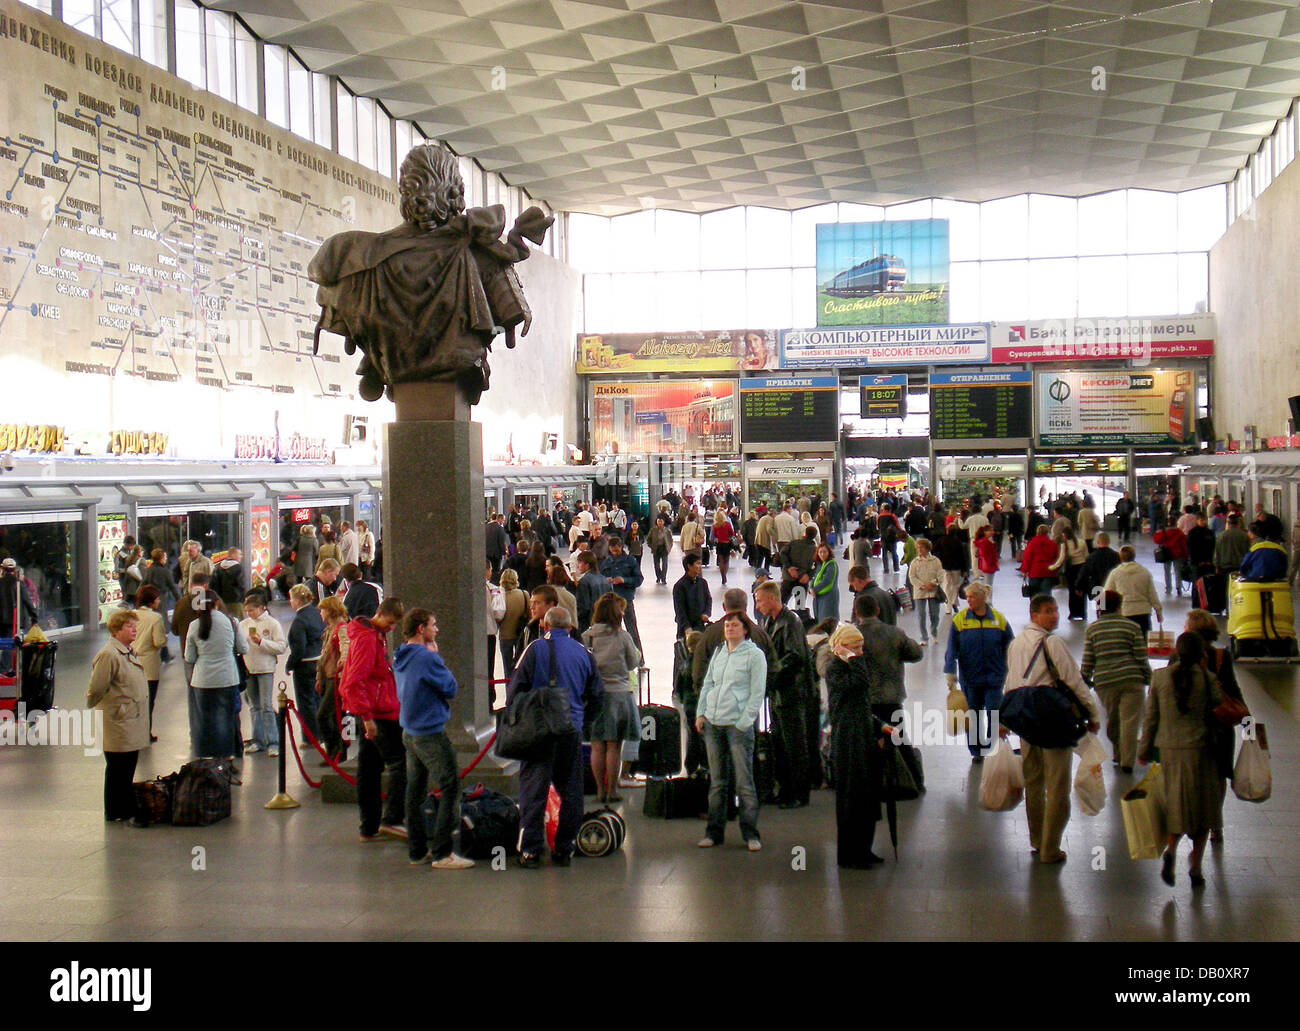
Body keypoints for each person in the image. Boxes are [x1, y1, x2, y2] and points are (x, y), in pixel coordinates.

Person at [1002, 595, 1100, 863]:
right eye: (1049, 611)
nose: (1055, 616)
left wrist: (1005, 720)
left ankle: (1037, 840)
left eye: (1056, 611)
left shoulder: (1017, 643)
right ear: (1035, 615)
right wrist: (1092, 713)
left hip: (1025, 719)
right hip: (1051, 719)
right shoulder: (1052, 642)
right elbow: (1074, 681)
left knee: (1033, 783)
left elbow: (1011, 680)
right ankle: (1050, 848)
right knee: (1057, 786)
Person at [508, 606, 604, 868]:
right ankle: (564, 847)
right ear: (571, 628)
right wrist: (582, 720)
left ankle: (531, 850)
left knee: (533, 790)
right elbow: (597, 694)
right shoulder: (584, 653)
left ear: (545, 626)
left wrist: (518, 721)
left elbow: (514, 692)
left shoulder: (535, 650)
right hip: (570, 729)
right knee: (570, 789)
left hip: (539, 730)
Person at [1138, 632, 1223, 888]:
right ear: (1201, 654)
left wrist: (1143, 751)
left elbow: (1150, 718)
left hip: (1169, 751)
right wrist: (1205, 670)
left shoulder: (1160, 677)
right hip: (1200, 751)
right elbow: (1218, 704)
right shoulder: (1207, 679)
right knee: (1204, 809)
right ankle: (1195, 866)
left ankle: (1171, 850)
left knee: (1175, 802)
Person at [394, 608, 474, 869]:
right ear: (421, 629)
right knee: (450, 786)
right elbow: (450, 687)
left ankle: (417, 851)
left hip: (409, 731)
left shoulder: (400, 655)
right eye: (433, 625)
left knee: (415, 791)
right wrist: (436, 656)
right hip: (430, 732)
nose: (436, 629)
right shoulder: (427, 658)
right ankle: (442, 852)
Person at [695, 612, 768, 851]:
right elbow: (708, 684)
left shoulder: (755, 656)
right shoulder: (718, 652)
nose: (729, 629)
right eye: (727, 625)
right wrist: (701, 712)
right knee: (718, 782)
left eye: (735, 625)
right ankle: (714, 833)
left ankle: (751, 834)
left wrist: (744, 721)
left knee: (744, 782)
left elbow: (758, 692)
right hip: (713, 724)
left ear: (745, 630)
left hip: (738, 725)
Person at [824, 623, 894, 867]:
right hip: (847, 744)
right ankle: (849, 854)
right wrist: (853, 659)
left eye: (861, 647)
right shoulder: (834, 669)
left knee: (867, 798)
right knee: (851, 800)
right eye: (855, 646)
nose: (860, 652)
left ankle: (864, 848)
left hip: (862, 739)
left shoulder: (851, 667)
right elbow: (859, 685)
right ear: (841, 646)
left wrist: (879, 725)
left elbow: (861, 704)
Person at [339, 597, 408, 842]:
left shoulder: (369, 635)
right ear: (379, 613)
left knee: (369, 769)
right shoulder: (369, 640)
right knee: (401, 764)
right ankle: (392, 819)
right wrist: (367, 718)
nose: (391, 628)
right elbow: (354, 681)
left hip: (372, 710)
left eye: (393, 625)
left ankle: (369, 826)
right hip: (377, 714)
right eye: (389, 623)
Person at [754, 580, 814, 808]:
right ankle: (787, 789)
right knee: (781, 743)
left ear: (772, 598)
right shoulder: (771, 622)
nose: (757, 605)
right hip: (780, 694)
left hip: (792, 694)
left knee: (795, 745)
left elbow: (795, 657)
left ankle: (798, 793)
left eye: (760, 600)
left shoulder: (790, 622)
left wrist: (769, 673)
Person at [87, 610, 150, 827]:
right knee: (118, 767)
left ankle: (122, 808)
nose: (135, 630)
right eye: (129, 626)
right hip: (119, 719)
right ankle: (116, 810)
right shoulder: (109, 655)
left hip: (130, 718)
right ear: (116, 630)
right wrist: (94, 701)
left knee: (128, 764)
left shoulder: (128, 651)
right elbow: (97, 687)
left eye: (135, 626)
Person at [1080, 591, 1152, 773]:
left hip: (1105, 682)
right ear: (1119, 606)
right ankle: (1126, 759)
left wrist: (1084, 678)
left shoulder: (1093, 629)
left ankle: (1122, 756)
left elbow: (1089, 658)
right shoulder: (1132, 626)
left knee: (1113, 721)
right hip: (1132, 679)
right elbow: (1140, 657)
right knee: (1129, 721)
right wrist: (1149, 678)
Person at [581, 593, 642, 804]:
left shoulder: (587, 636)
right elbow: (633, 662)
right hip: (619, 694)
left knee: (597, 745)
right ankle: (612, 789)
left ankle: (599, 789)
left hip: (596, 696)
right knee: (614, 746)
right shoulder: (623, 636)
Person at [944, 582, 1015, 759]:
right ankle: (976, 751)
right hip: (970, 679)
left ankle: (992, 747)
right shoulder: (960, 620)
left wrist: (1014, 669)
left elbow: (1012, 646)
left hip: (994, 678)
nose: (969, 600)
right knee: (973, 716)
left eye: (972, 596)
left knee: (994, 713)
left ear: (983, 597)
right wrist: (950, 671)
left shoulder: (998, 620)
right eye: (967, 597)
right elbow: (952, 648)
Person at [184, 586, 248, 760]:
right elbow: (243, 648)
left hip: (202, 680)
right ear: (217, 603)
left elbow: (189, 656)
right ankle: (227, 754)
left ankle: (206, 754)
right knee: (226, 717)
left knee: (205, 719)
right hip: (227, 677)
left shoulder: (194, 625)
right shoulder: (232, 622)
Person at [240, 591, 287, 757]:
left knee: (266, 706)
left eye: (252, 610)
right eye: (247, 611)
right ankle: (257, 740)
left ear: (261, 608)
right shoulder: (244, 624)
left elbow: (281, 647)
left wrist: (262, 642)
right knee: (254, 706)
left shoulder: (272, 624)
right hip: (249, 669)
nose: (249, 614)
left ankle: (273, 742)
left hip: (265, 669)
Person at [285, 583, 326, 749]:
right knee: (319, 699)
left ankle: (311, 737)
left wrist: (289, 665)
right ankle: (323, 733)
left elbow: (299, 648)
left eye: (291, 599)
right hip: (320, 661)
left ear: (296, 601)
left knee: (306, 703)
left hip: (305, 665)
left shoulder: (299, 621)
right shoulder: (317, 613)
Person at [315, 595, 352, 764]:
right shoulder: (330, 628)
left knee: (324, 715)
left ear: (329, 610)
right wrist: (319, 677)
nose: (320, 613)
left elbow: (346, 647)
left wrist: (343, 661)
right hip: (330, 677)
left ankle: (334, 749)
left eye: (322, 609)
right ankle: (338, 751)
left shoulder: (341, 628)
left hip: (337, 678)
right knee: (337, 716)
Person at [132, 586, 168, 743]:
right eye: (157, 599)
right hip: (149, 665)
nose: (159, 601)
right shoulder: (155, 618)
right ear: (152, 601)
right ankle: (145, 733)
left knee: (133, 700)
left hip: (132, 662)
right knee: (148, 700)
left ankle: (132, 731)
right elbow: (158, 641)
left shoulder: (131, 616)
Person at [1102, 545, 1164, 634]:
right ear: (1134, 556)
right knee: (1143, 641)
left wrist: (1104, 612)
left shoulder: (1115, 573)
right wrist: (1158, 611)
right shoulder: (1144, 572)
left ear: (1120, 557)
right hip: (1143, 613)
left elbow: (1107, 593)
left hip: (1124, 612)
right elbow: (1152, 594)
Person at [600, 535, 644, 651]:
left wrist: (624, 580)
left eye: (617, 549)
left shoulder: (630, 561)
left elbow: (639, 579)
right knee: (610, 631)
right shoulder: (606, 562)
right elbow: (600, 578)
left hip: (626, 600)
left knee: (632, 630)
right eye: (612, 550)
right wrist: (605, 580)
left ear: (621, 547)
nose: (614, 552)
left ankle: (639, 660)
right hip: (610, 601)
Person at [907, 537, 943, 645]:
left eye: (921, 547)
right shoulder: (914, 562)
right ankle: (924, 637)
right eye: (917, 548)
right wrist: (922, 586)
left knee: (934, 614)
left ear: (927, 548)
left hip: (933, 591)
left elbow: (941, 575)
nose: (919, 550)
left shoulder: (935, 561)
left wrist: (933, 583)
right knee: (921, 615)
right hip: (919, 592)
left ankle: (934, 632)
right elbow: (912, 577)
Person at [496, 568, 529, 686]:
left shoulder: (499, 596)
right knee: (521, 665)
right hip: (520, 635)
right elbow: (530, 615)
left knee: (507, 669)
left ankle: (508, 692)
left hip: (505, 636)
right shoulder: (524, 594)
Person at [1049, 525, 1090, 620]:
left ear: (1065, 535)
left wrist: (1053, 567)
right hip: (1082, 568)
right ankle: (1083, 613)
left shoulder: (1065, 544)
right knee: (1081, 592)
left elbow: (1061, 558)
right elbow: (1086, 556)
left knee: (1072, 592)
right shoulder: (1082, 542)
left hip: (1071, 569)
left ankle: (1073, 613)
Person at [1078, 532, 1121, 612]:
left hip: (1097, 588)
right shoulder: (1116, 556)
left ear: (1097, 542)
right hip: (1113, 588)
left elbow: (1084, 572)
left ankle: (1102, 622)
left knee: (1101, 610)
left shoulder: (1092, 557)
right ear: (1108, 542)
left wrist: (1079, 586)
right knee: (1112, 609)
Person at [672, 554, 711, 638]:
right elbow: (679, 609)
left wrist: (706, 613)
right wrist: (686, 627)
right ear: (689, 566)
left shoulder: (702, 583)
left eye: (700, 563)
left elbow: (708, 599)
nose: (700, 566)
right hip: (686, 628)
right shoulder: (679, 586)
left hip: (700, 625)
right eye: (697, 564)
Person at [937, 521, 971, 613]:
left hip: (945, 567)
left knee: (947, 586)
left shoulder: (942, 540)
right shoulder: (959, 542)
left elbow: (935, 552)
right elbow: (963, 558)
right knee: (955, 586)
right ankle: (954, 602)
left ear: (947, 530)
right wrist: (965, 570)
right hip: (956, 567)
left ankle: (948, 606)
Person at [1019, 524, 1059, 599]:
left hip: (1035, 572)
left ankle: (1036, 609)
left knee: (1034, 595)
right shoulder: (1052, 543)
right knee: (1046, 596)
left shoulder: (1032, 543)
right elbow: (1056, 557)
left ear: (1037, 532)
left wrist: (1024, 570)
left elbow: (1027, 557)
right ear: (1047, 532)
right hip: (1048, 572)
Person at [1153, 522, 1189, 596]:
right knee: (1177, 571)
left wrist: (1159, 532)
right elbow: (1184, 545)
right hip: (1177, 554)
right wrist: (1186, 556)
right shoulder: (1179, 532)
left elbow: (1156, 540)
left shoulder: (1164, 532)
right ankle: (1178, 588)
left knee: (1167, 571)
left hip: (1166, 554)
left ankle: (1168, 587)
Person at [212, 546, 247, 620]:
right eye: (239, 554)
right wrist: (244, 598)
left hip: (222, 601)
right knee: (238, 622)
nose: (241, 556)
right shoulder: (238, 568)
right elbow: (241, 585)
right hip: (236, 601)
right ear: (233, 555)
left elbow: (214, 584)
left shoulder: (219, 567)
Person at [544, 557, 579, 627]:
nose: (546, 569)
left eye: (548, 566)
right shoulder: (571, 592)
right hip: (571, 628)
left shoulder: (547, 592)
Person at [485, 561, 506, 682]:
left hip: (470, 634)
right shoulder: (494, 589)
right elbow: (499, 612)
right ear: (487, 570)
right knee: (488, 668)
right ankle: (489, 695)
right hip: (488, 632)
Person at [810, 542, 840, 623]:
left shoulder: (831, 565)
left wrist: (814, 589)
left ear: (829, 553)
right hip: (819, 596)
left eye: (825, 552)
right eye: (820, 552)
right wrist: (811, 588)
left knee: (828, 619)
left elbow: (827, 580)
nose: (822, 554)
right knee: (821, 618)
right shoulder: (820, 564)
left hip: (829, 596)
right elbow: (815, 578)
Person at [974, 524, 999, 594]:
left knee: (987, 583)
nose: (992, 532)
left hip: (985, 565)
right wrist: (991, 562)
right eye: (990, 530)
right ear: (985, 532)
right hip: (989, 565)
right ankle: (988, 602)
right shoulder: (986, 542)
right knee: (988, 585)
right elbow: (987, 555)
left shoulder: (982, 541)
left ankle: (986, 601)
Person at [713, 509, 736, 585]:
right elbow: (732, 533)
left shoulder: (715, 526)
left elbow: (715, 535)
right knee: (726, 561)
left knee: (721, 561)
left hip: (719, 544)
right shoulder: (727, 524)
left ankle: (722, 576)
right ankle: (725, 575)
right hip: (727, 544)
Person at [648, 516, 673, 585]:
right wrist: (651, 546)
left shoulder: (667, 530)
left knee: (665, 564)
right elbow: (649, 538)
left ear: (663, 522)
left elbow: (670, 540)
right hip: (656, 548)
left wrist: (669, 547)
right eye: (658, 521)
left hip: (664, 548)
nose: (659, 523)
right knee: (656, 564)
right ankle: (658, 577)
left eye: (661, 521)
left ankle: (664, 578)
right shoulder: (653, 530)